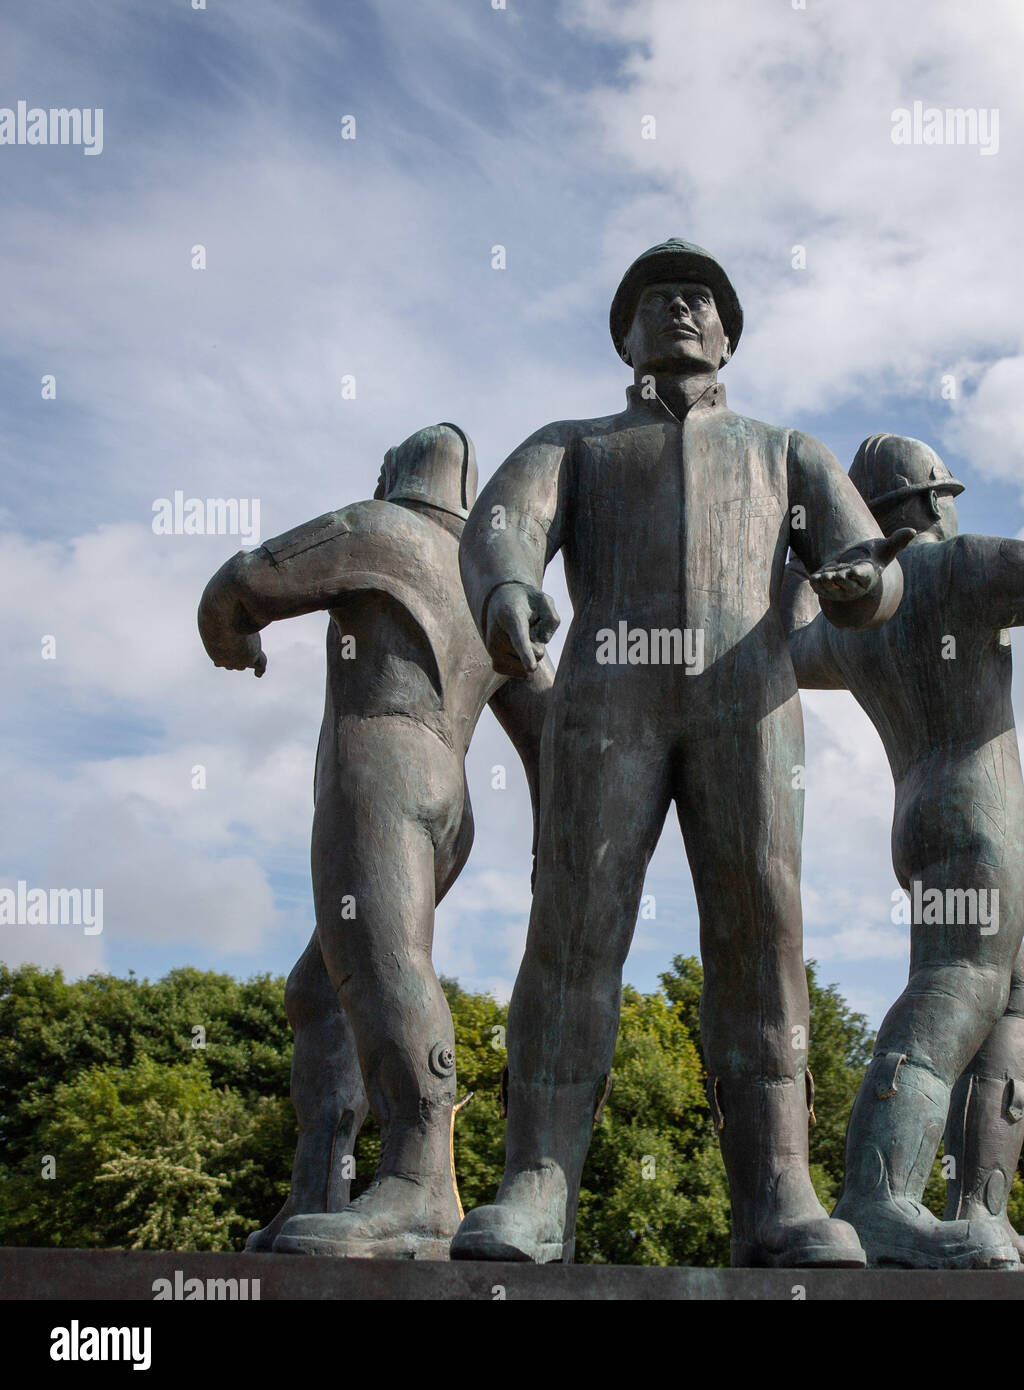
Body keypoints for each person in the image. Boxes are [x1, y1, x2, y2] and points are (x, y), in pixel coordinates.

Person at [451, 240, 912, 1267]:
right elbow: (500, 525)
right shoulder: (574, 443)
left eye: (697, 298)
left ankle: (779, 1192)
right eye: (653, 299)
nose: (676, 310)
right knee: (573, 929)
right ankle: (537, 1183)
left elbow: (867, 560)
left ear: (728, 333)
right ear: (623, 331)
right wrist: (508, 588)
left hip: (747, 702)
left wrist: (856, 584)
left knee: (762, 936)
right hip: (606, 696)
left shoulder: (782, 449)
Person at [198, 424, 551, 1258]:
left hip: (380, 775)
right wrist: (555, 845)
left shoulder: (375, 529)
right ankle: (321, 1188)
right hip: (451, 803)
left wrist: (234, 639)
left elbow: (240, 583)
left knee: (383, 965)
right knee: (320, 993)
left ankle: (419, 1183)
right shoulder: (484, 580)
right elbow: (549, 730)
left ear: (394, 472)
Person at [783, 433, 1024, 1268]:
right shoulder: (962, 567)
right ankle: (879, 1200)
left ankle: (981, 1211)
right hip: (978, 822)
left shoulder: (847, 626)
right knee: (958, 988)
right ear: (936, 501)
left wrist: (801, 557)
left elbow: (790, 647)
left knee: (1020, 1001)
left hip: (919, 820)